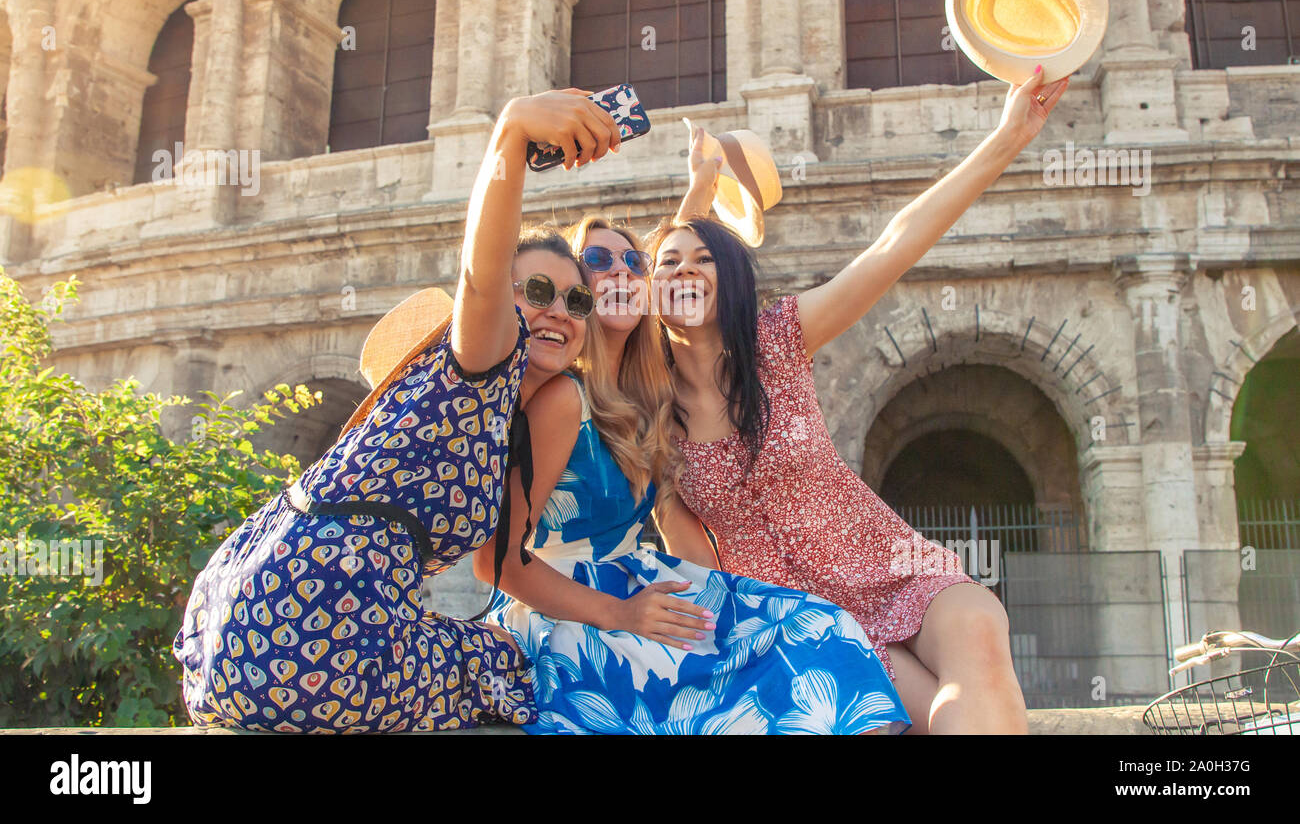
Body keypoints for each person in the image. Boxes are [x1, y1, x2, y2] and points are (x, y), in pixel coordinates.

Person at [171, 87, 623, 732]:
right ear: (500, 304)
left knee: (499, 657)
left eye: (578, 303)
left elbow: (506, 562)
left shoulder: (495, 413)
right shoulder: (476, 366)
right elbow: (480, 272)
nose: (559, 311)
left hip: (231, 649)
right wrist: (510, 137)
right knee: (524, 671)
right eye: (539, 291)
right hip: (304, 650)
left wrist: (621, 612)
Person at [652, 68, 1071, 734]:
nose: (683, 272)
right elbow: (692, 559)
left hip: (889, 565)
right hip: (810, 625)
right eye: (666, 265)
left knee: (981, 633)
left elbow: (893, 245)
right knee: (937, 716)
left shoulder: (778, 342)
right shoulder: (649, 415)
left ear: (729, 279)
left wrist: (1007, 137)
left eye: (702, 261)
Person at [473, 214, 911, 734]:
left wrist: (727, 610)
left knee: (824, 630)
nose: (621, 271)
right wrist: (621, 614)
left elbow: (676, 526)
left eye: (634, 261)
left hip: (634, 593)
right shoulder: (565, 397)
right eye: (597, 260)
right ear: (574, 289)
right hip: (568, 615)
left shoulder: (644, 398)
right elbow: (495, 563)